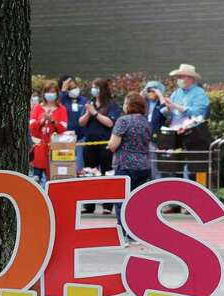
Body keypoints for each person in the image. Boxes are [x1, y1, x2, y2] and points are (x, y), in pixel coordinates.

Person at [108, 94, 154, 245]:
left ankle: (123, 234)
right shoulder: (146, 122)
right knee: (136, 201)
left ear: (129, 105)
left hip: (125, 165)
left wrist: (110, 146)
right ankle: (136, 233)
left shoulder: (123, 121)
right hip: (144, 166)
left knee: (121, 200)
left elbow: (114, 144)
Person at [78, 77, 122, 213]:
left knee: (106, 172)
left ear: (102, 89)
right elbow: (81, 122)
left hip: (105, 144)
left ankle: (107, 205)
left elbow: (110, 123)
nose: (93, 90)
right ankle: (89, 204)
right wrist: (88, 112)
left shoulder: (111, 105)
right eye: (93, 87)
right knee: (89, 173)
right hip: (90, 143)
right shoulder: (89, 103)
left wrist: (95, 113)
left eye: (96, 88)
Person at [162, 63, 213, 178]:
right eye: (178, 77)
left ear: (190, 78)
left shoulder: (199, 93)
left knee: (193, 169)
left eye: (181, 77)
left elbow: (199, 113)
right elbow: (170, 110)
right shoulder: (177, 93)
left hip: (193, 136)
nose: (178, 80)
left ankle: (194, 191)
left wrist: (177, 106)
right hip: (175, 134)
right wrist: (167, 108)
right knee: (175, 168)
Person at [28, 82, 66, 187]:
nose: (50, 94)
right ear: (44, 94)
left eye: (53, 92)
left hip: (55, 151)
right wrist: (42, 120)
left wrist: (53, 121)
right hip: (39, 150)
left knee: (53, 182)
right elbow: (32, 128)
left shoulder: (61, 109)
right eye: (48, 92)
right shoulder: (37, 108)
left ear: (57, 94)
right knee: (36, 180)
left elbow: (63, 130)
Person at [59, 75, 88, 175]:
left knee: (79, 167)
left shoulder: (84, 100)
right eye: (70, 88)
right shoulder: (63, 99)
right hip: (65, 138)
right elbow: (56, 105)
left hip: (81, 137)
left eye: (74, 87)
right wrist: (63, 90)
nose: (74, 90)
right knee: (65, 168)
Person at [142, 81, 170, 179]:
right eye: (149, 91)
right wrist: (142, 94)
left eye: (153, 91)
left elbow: (165, 111)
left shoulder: (162, 103)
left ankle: (156, 183)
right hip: (143, 138)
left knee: (155, 165)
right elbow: (133, 108)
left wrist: (160, 95)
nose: (151, 93)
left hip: (156, 138)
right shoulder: (145, 103)